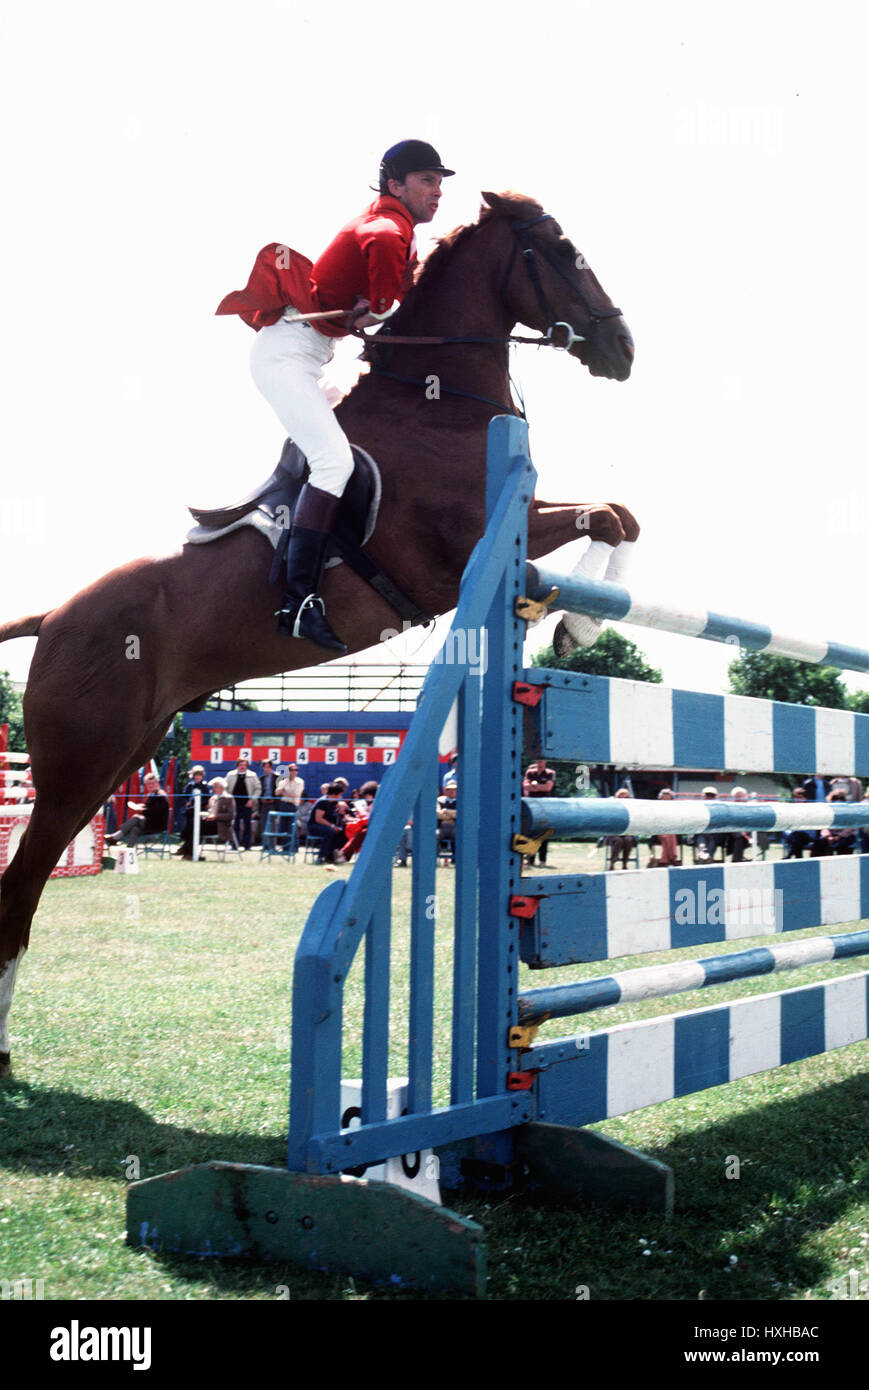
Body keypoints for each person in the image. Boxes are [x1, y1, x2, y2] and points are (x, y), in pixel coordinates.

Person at [219, 140, 454, 652]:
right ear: (396, 185)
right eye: (427, 181)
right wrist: (377, 310)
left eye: (441, 182)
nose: (439, 192)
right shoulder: (388, 231)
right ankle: (298, 601)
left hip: (313, 354)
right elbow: (381, 317)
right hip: (286, 357)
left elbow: (371, 314)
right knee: (332, 464)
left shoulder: (396, 227)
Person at [106, 773, 169, 848]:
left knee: (136, 818)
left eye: (153, 783)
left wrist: (142, 811)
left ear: (157, 783)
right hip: (149, 823)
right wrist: (141, 807)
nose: (150, 785)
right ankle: (129, 850)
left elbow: (156, 812)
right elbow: (150, 808)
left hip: (158, 825)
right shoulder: (151, 794)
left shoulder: (160, 795)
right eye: (148, 784)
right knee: (135, 829)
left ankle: (115, 837)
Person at [523, 758, 556, 868]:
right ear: (536, 762)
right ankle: (530, 860)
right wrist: (539, 787)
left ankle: (542, 861)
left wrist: (534, 787)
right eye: (538, 761)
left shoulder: (550, 773)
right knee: (531, 833)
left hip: (545, 806)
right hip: (532, 806)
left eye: (542, 761)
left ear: (545, 762)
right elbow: (526, 786)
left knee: (544, 833)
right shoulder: (530, 772)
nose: (540, 763)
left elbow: (548, 787)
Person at [175, 765, 212, 860]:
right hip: (189, 812)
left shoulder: (204, 786)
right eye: (196, 775)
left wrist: (198, 803)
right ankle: (186, 850)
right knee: (187, 831)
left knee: (193, 831)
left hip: (199, 812)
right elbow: (185, 796)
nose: (198, 777)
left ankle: (186, 851)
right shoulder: (189, 786)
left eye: (199, 775)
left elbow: (207, 799)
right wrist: (187, 802)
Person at [224, 757, 261, 851]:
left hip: (247, 804)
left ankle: (247, 845)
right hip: (233, 804)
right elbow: (225, 788)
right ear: (237, 765)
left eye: (244, 765)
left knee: (247, 825)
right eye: (241, 765)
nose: (242, 767)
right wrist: (228, 799)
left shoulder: (253, 775)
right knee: (234, 825)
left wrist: (252, 800)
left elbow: (258, 789)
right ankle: (234, 844)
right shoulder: (230, 775)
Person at [307, 782, 346, 864]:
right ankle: (321, 857)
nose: (341, 797)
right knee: (330, 832)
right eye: (340, 794)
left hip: (326, 826)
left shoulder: (334, 802)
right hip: (314, 826)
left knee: (342, 832)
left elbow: (342, 806)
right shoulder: (323, 802)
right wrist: (332, 826)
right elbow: (318, 819)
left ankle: (331, 856)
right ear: (335, 794)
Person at [647, 787, 680, 868]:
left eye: (668, 798)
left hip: (672, 831)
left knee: (669, 834)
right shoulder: (655, 808)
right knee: (666, 835)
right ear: (660, 798)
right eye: (664, 798)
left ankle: (664, 860)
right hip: (657, 832)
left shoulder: (676, 809)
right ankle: (672, 858)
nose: (665, 800)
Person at [604, 786, 635, 870]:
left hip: (626, 832)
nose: (623, 797)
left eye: (626, 796)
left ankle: (625, 864)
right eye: (621, 795)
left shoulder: (630, 807)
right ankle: (612, 863)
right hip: (612, 832)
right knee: (618, 841)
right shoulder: (611, 806)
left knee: (628, 840)